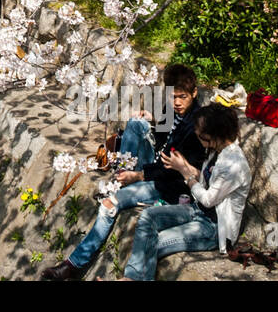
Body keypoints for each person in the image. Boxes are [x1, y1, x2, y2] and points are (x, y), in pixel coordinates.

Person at [41, 63, 205, 280]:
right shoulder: (173, 109)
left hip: (167, 184)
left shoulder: (197, 126)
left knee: (109, 206)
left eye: (182, 97)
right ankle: (118, 180)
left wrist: (138, 176)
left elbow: (173, 169)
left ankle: (73, 265)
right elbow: (164, 137)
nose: (176, 102)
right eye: (172, 96)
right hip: (154, 165)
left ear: (194, 92)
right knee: (136, 122)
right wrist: (153, 120)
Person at [119, 103, 251, 281]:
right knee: (147, 216)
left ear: (216, 135)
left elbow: (208, 199)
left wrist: (184, 172)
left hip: (214, 227)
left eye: (202, 134)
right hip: (197, 211)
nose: (198, 136)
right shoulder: (217, 151)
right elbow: (205, 180)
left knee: (154, 242)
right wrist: (185, 167)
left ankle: (130, 279)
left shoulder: (233, 165)